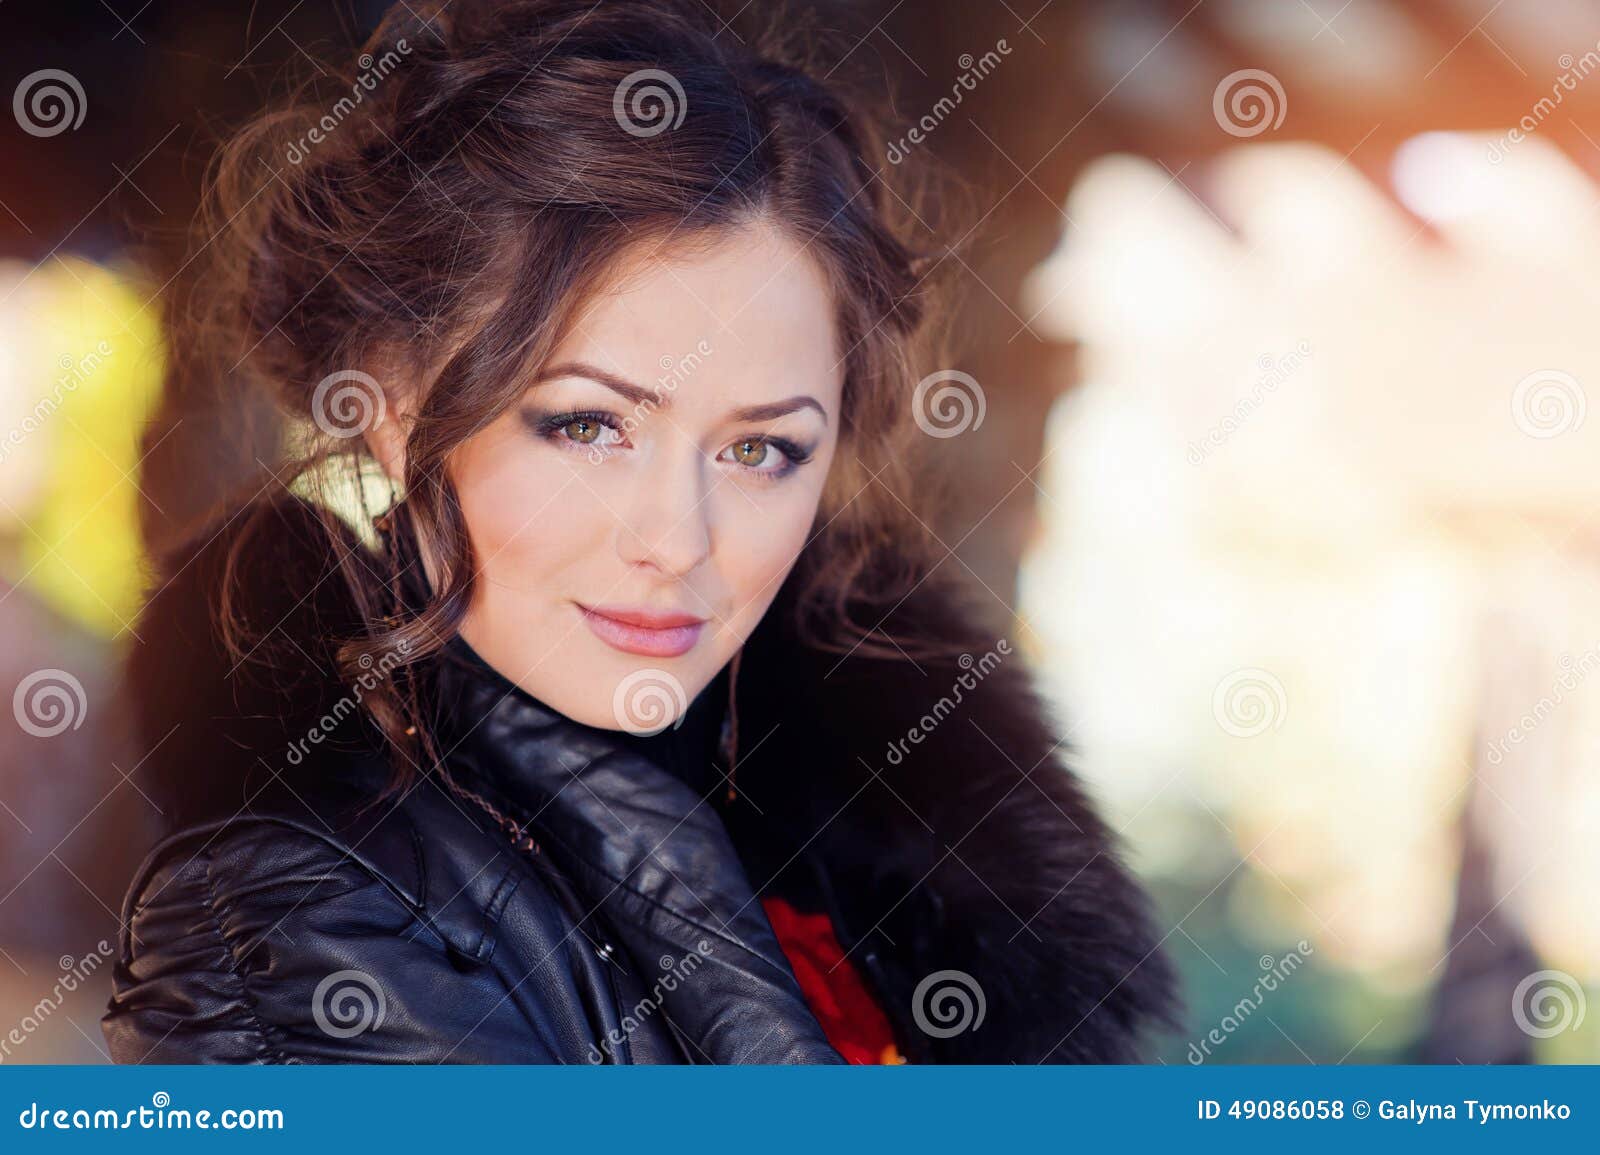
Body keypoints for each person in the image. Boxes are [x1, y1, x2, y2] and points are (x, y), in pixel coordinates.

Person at [102, 0, 1177, 1064]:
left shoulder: (882, 848)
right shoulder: (305, 925)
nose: (678, 540)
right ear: (385, 403)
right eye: (589, 425)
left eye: (760, 451)